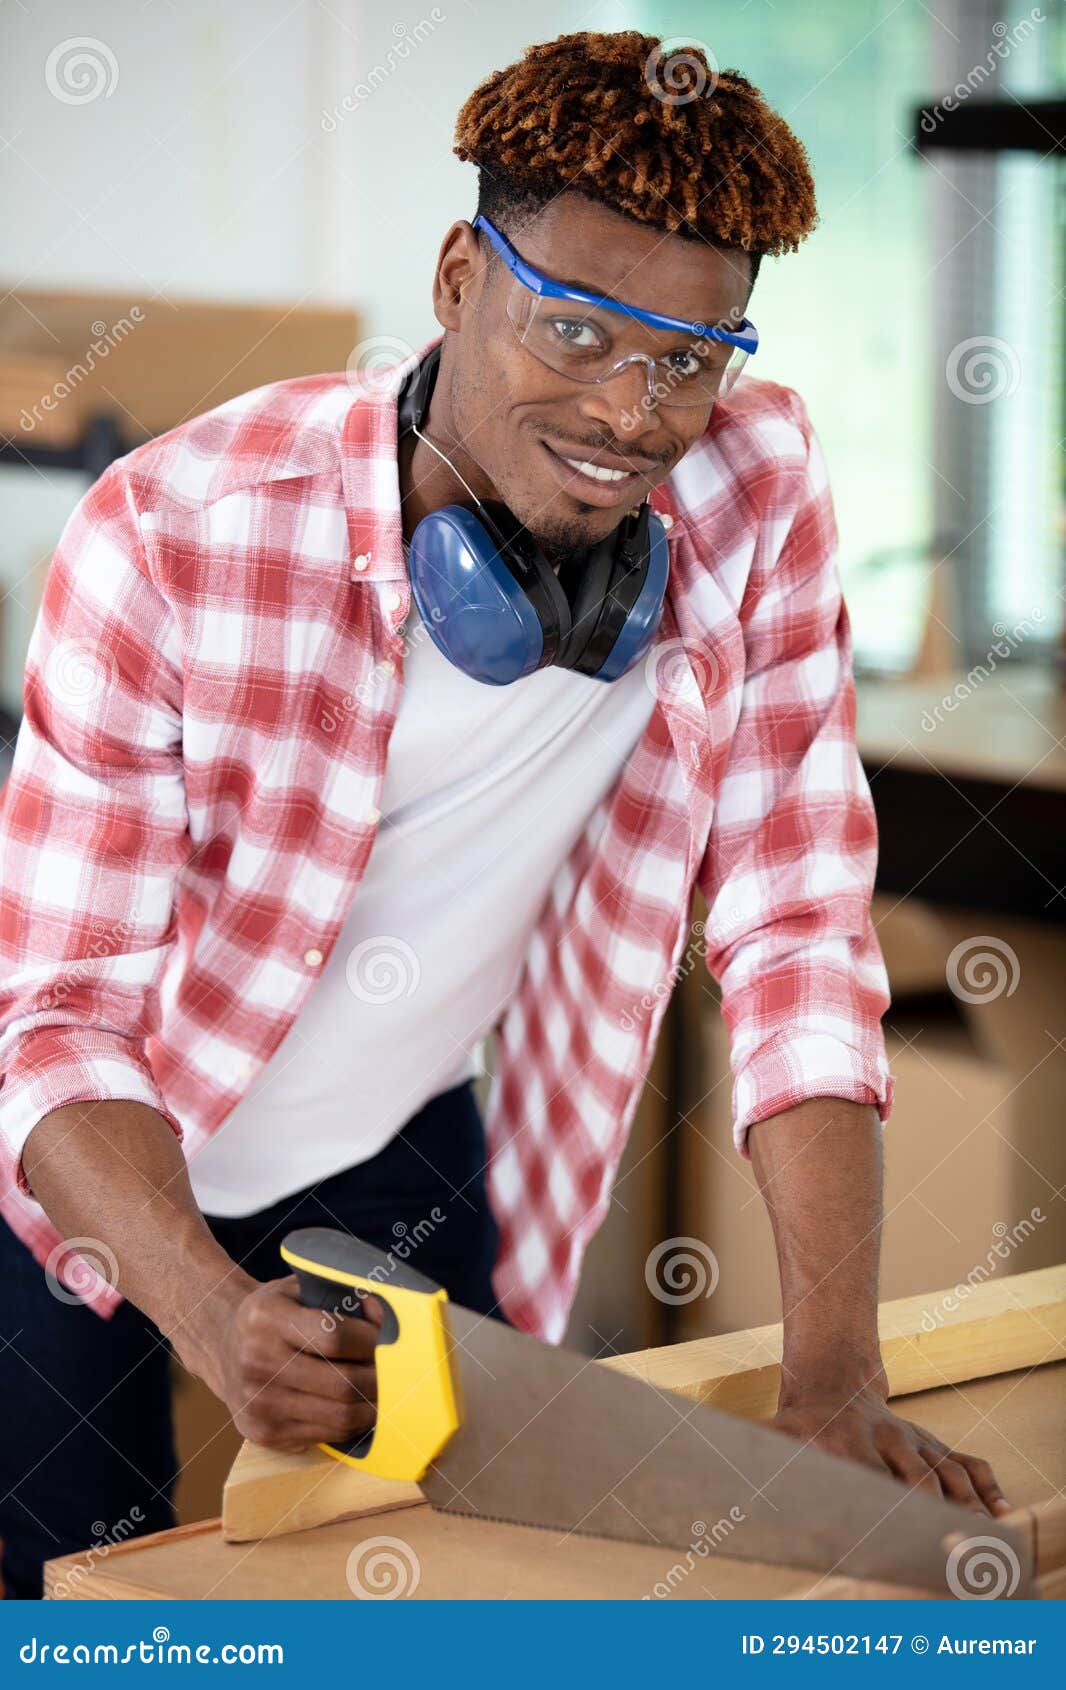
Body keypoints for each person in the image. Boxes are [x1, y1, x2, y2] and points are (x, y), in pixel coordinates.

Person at [0, 31, 1009, 1599]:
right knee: (84, 1595)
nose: (631, 410)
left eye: (688, 354)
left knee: (455, 1593)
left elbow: (797, 930)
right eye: (577, 332)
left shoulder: (749, 494)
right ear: (458, 277)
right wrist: (205, 1309)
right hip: (102, 1159)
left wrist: (832, 1376)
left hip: (397, 1139)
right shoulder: (171, 536)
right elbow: (57, 1017)